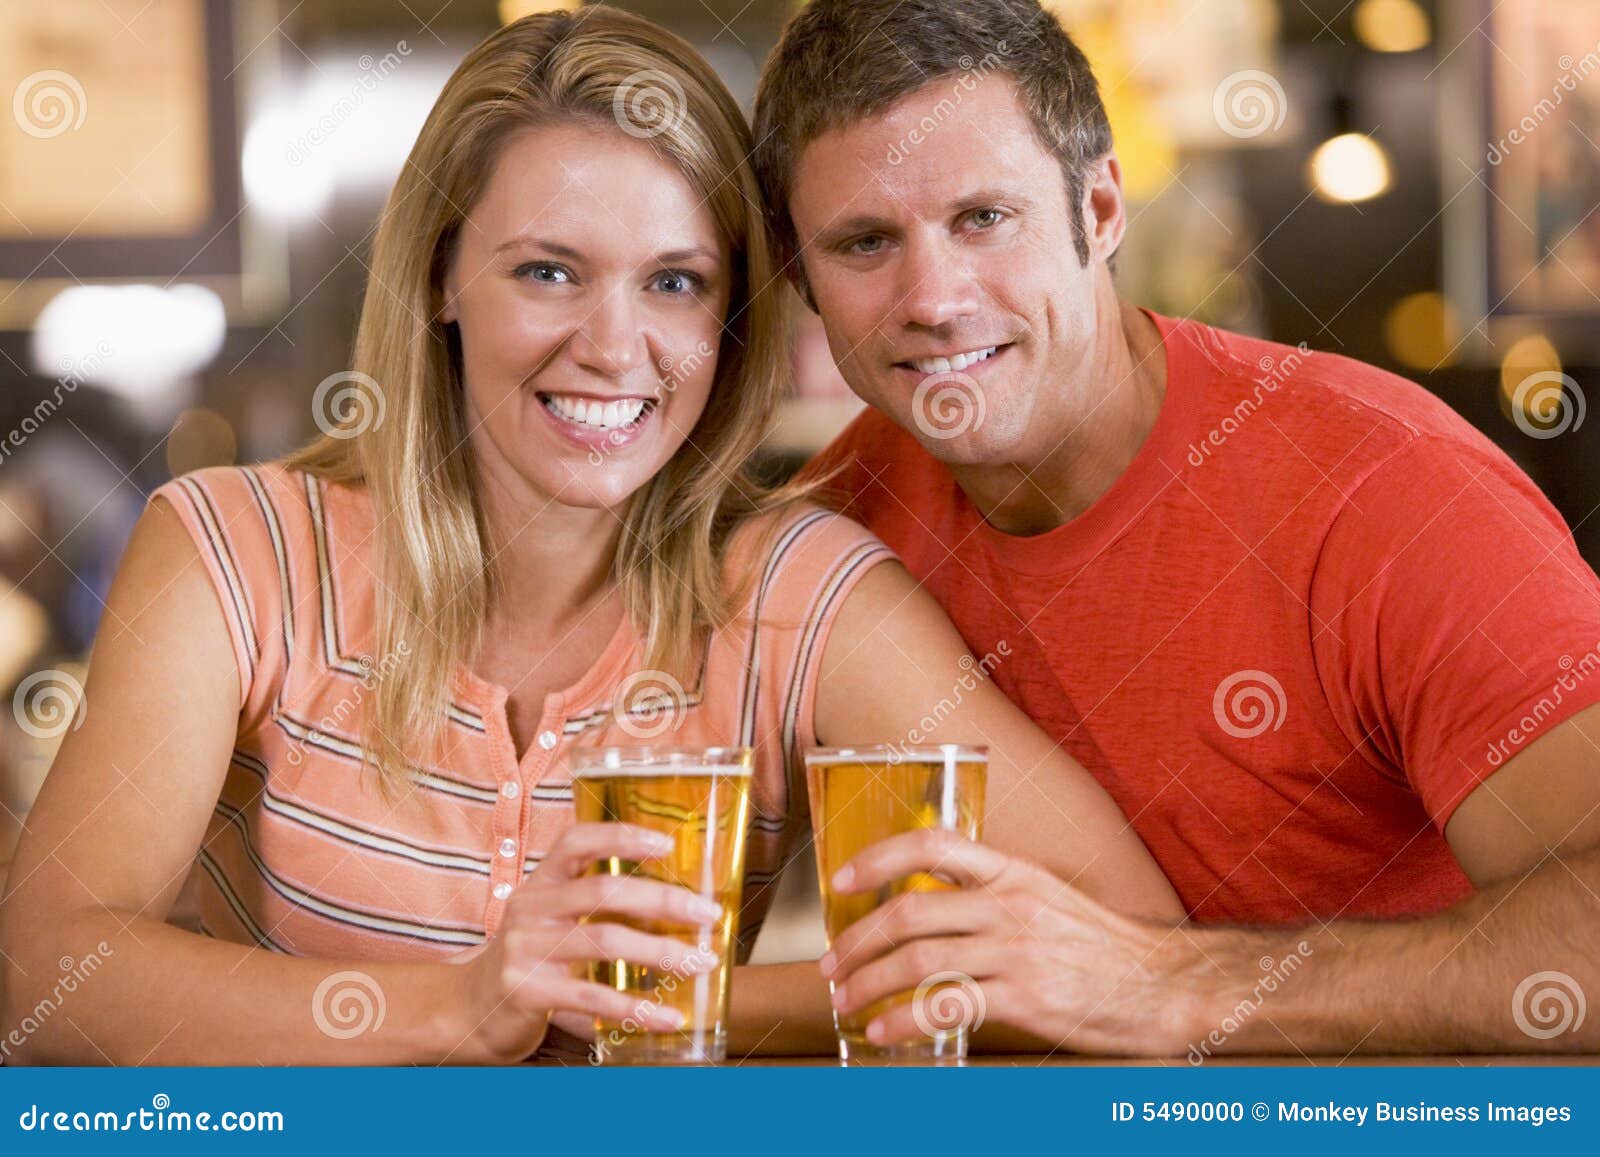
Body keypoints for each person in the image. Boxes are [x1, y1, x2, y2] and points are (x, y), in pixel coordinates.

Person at [0, 5, 1180, 1066]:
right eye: (550, 272)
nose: (616, 349)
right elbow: (45, 972)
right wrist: (462, 1008)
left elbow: (1127, 946)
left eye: (675, 282)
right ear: (441, 278)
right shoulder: (233, 548)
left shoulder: (792, 588)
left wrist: (668, 998)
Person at [752, 0, 1600, 1055]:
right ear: (801, 281)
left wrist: (1176, 985)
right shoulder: (833, 530)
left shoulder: (1381, 489)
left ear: (1100, 207)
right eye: (865, 241)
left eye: (984, 218)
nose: (933, 297)